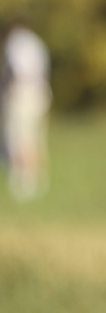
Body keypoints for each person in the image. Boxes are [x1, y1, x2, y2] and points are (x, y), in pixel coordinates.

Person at [1, 21, 51, 201]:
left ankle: (24, 181)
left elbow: (16, 72)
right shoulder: (37, 42)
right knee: (34, 137)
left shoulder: (16, 43)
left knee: (20, 137)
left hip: (22, 94)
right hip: (40, 94)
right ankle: (37, 177)